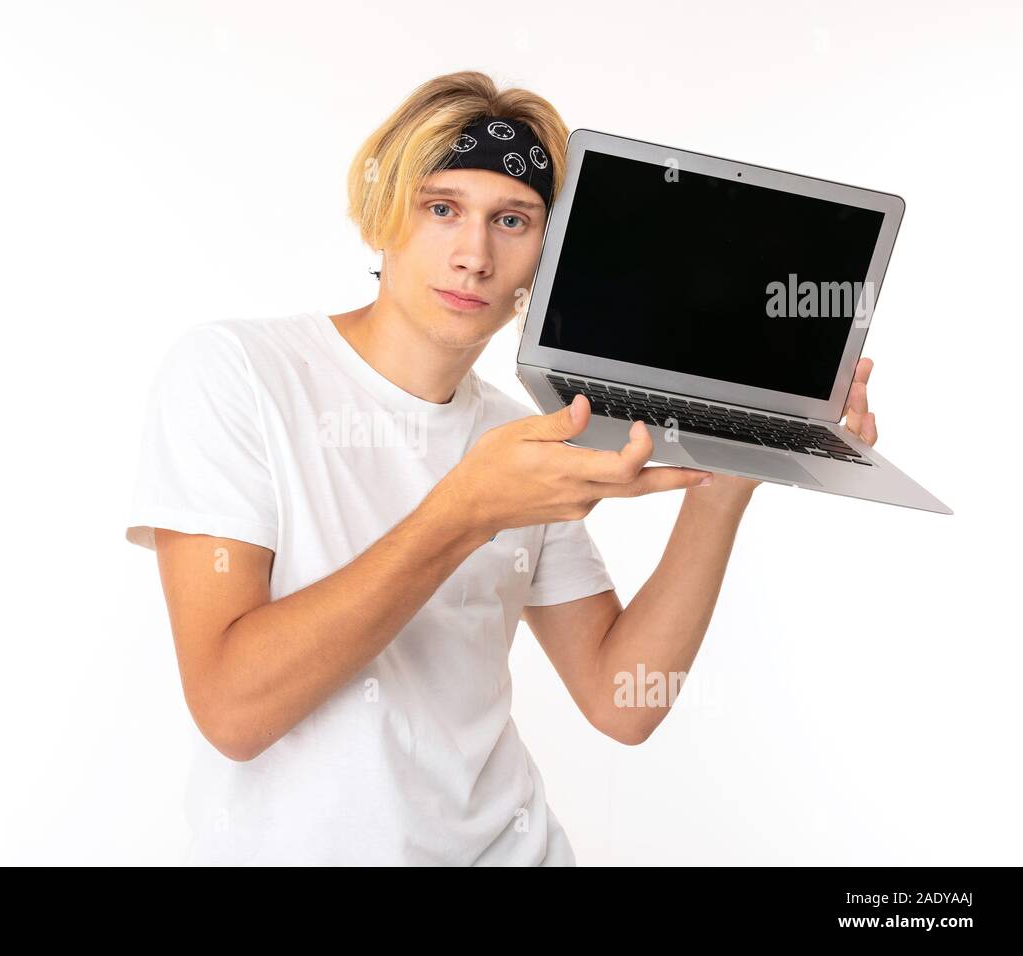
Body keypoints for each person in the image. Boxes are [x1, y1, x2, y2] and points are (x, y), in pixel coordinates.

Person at [124, 70, 881, 865]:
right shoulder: (236, 372)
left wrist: (730, 479)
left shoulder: (524, 439)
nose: (474, 255)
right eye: (441, 208)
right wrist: (467, 511)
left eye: (512, 220)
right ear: (384, 214)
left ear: (543, 263)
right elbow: (232, 710)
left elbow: (621, 699)